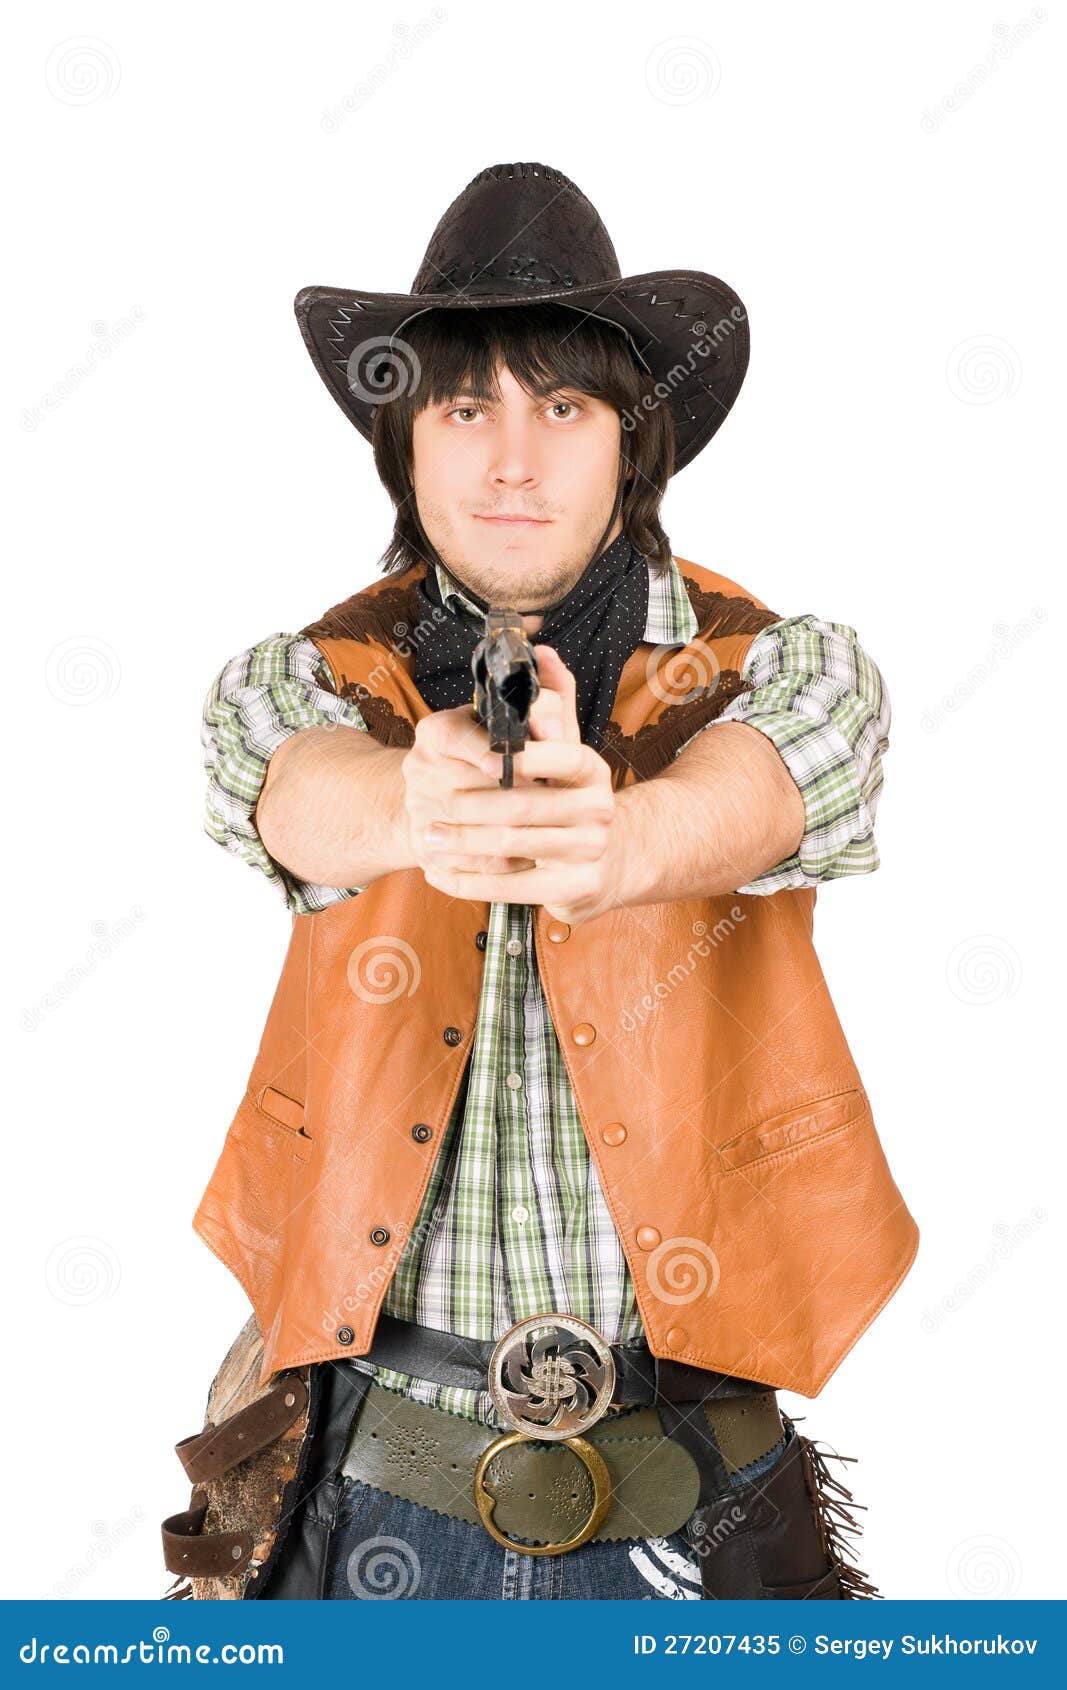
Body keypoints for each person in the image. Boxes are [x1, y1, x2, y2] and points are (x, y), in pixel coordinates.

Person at [169, 162, 917, 1602]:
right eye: (466, 408)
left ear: (632, 442)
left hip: (696, 1508)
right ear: (406, 444)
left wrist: (624, 841)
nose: (513, 459)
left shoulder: (782, 664)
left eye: (563, 408)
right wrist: (413, 800)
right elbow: (280, 780)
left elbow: (777, 775)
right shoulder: (307, 680)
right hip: (370, 1501)